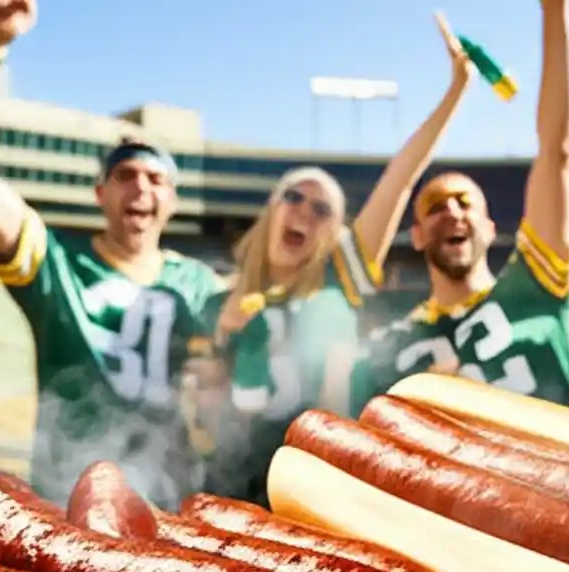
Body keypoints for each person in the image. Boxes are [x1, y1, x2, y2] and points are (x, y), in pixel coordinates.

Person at [0, 0, 223, 508]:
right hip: (66, 503)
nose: (141, 188)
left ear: (172, 200)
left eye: (156, 179)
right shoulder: (58, 263)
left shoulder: (199, 283)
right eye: (125, 176)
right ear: (101, 195)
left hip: (168, 505)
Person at [188, 12, 474, 503]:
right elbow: (201, 414)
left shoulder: (338, 279)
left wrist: (456, 89)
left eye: (323, 209)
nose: (305, 211)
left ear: (333, 236)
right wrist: (221, 351)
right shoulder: (218, 301)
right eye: (294, 198)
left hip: (315, 490)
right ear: (271, 212)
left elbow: (400, 178)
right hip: (229, 490)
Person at [355, 0, 569, 406]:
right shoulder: (388, 349)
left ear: (491, 229)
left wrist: (554, 11)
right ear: (417, 236)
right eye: (436, 206)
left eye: (464, 203)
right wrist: (456, 90)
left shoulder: (536, 285)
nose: (453, 212)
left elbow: (556, 151)